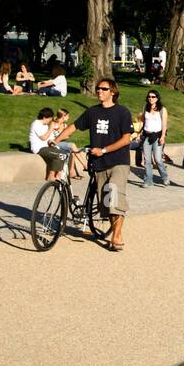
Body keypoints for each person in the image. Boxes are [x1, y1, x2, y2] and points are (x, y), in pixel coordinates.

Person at [49, 78, 132, 251]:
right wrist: (55, 141)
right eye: (98, 88)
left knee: (113, 194)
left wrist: (104, 150)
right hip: (99, 163)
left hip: (118, 161)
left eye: (103, 89)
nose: (99, 91)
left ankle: (116, 237)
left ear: (113, 92)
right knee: (107, 203)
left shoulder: (122, 112)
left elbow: (126, 139)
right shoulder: (92, 112)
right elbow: (73, 127)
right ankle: (114, 230)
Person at [139, 91, 169, 187]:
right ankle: (148, 181)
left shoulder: (162, 109)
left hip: (157, 136)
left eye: (153, 96)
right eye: (149, 97)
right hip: (147, 136)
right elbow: (143, 122)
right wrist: (140, 133)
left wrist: (163, 136)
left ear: (157, 98)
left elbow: (164, 124)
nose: (151, 98)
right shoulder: (145, 108)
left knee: (158, 159)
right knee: (147, 160)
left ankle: (165, 177)